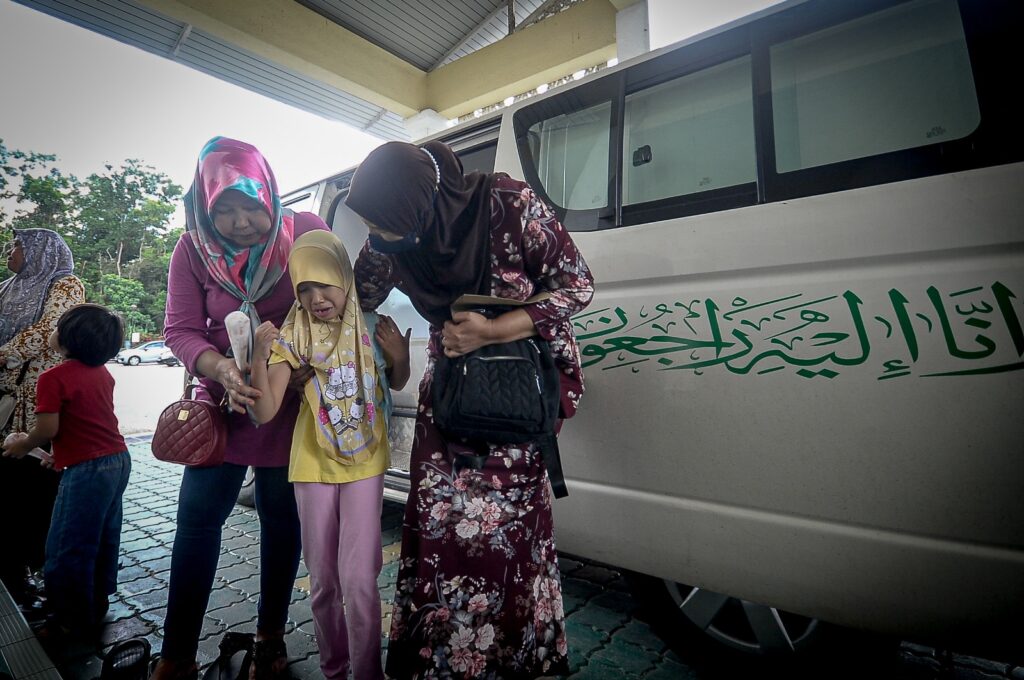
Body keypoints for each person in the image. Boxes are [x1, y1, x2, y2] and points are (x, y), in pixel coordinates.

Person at [346, 140, 594, 679]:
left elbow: (577, 285)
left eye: (381, 224)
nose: (377, 234)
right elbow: (358, 293)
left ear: (419, 204)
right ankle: (439, 667)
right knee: (440, 531)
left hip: (514, 394)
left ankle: (512, 663)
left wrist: (493, 329)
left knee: (509, 540)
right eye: (372, 224)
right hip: (452, 399)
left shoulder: (508, 202)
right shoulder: (397, 230)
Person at [153, 137, 328, 680]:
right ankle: (177, 655)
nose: (239, 222)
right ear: (205, 206)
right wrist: (223, 369)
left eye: (250, 206)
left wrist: (304, 361)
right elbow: (180, 330)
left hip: (288, 404)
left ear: (269, 194)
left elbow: (334, 308)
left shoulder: (306, 232)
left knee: (281, 521)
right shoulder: (192, 248)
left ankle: (269, 639)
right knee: (197, 521)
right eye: (223, 209)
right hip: (222, 404)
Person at [249, 229, 410, 680]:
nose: (316, 298)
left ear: (344, 277)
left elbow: (395, 382)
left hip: (365, 462)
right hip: (312, 463)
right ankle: (334, 669)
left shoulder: (374, 326)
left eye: (325, 285)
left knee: (359, 579)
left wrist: (400, 356)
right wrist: (259, 356)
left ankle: (367, 672)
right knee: (322, 580)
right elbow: (265, 411)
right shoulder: (292, 335)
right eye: (305, 288)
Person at [2, 303, 130, 646]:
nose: (54, 332)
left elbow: (48, 429)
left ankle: (68, 619)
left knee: (66, 545)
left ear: (69, 338)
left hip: (88, 469)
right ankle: (97, 601)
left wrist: (23, 444)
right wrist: (60, 455)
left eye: (59, 327)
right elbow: (87, 423)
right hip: (118, 461)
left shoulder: (53, 378)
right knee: (104, 534)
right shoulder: (102, 373)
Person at [0, 229, 85, 607]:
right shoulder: (8, 288)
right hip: (6, 405)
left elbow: (50, 329)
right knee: (8, 485)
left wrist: (4, 353)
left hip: (42, 406)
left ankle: (35, 569)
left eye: (17, 246)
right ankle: (12, 566)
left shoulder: (64, 284)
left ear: (41, 252)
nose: (10, 251)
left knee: (36, 489)